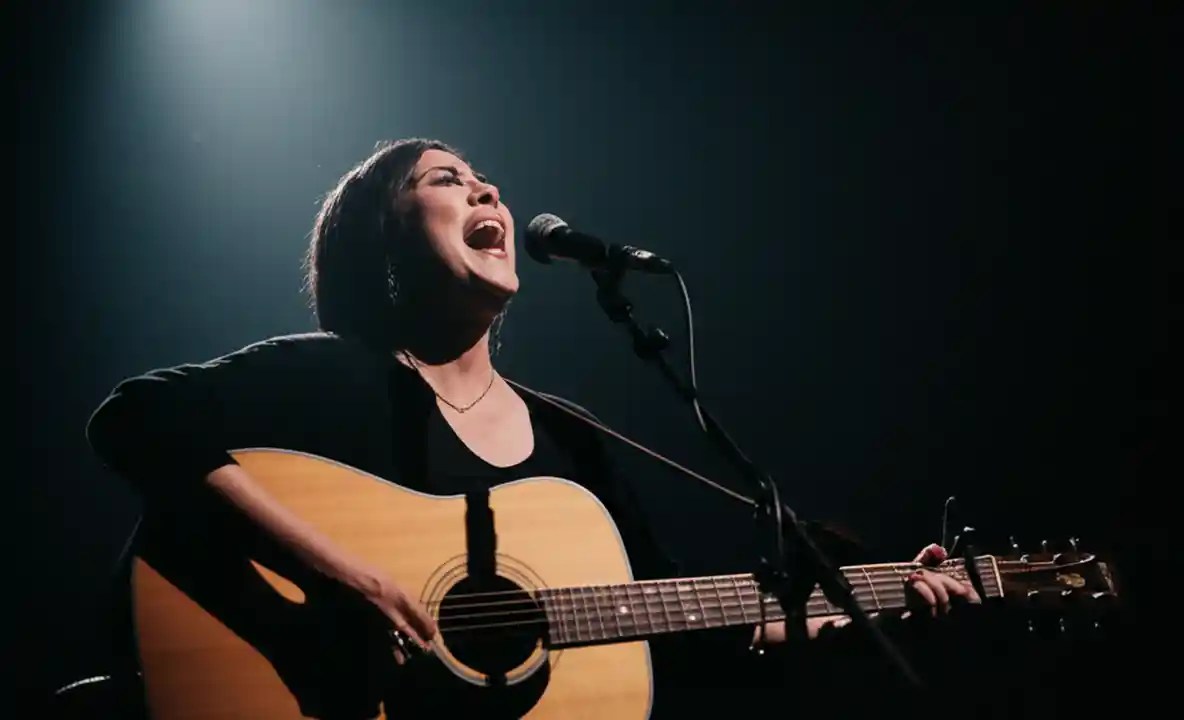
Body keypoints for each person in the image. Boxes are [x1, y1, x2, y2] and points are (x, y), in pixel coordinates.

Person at [84, 138, 978, 718]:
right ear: (382, 243)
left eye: (484, 181)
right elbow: (134, 419)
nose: (487, 188)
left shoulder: (572, 444)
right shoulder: (331, 376)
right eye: (445, 180)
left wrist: (863, 607)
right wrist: (341, 577)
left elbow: (674, 629)